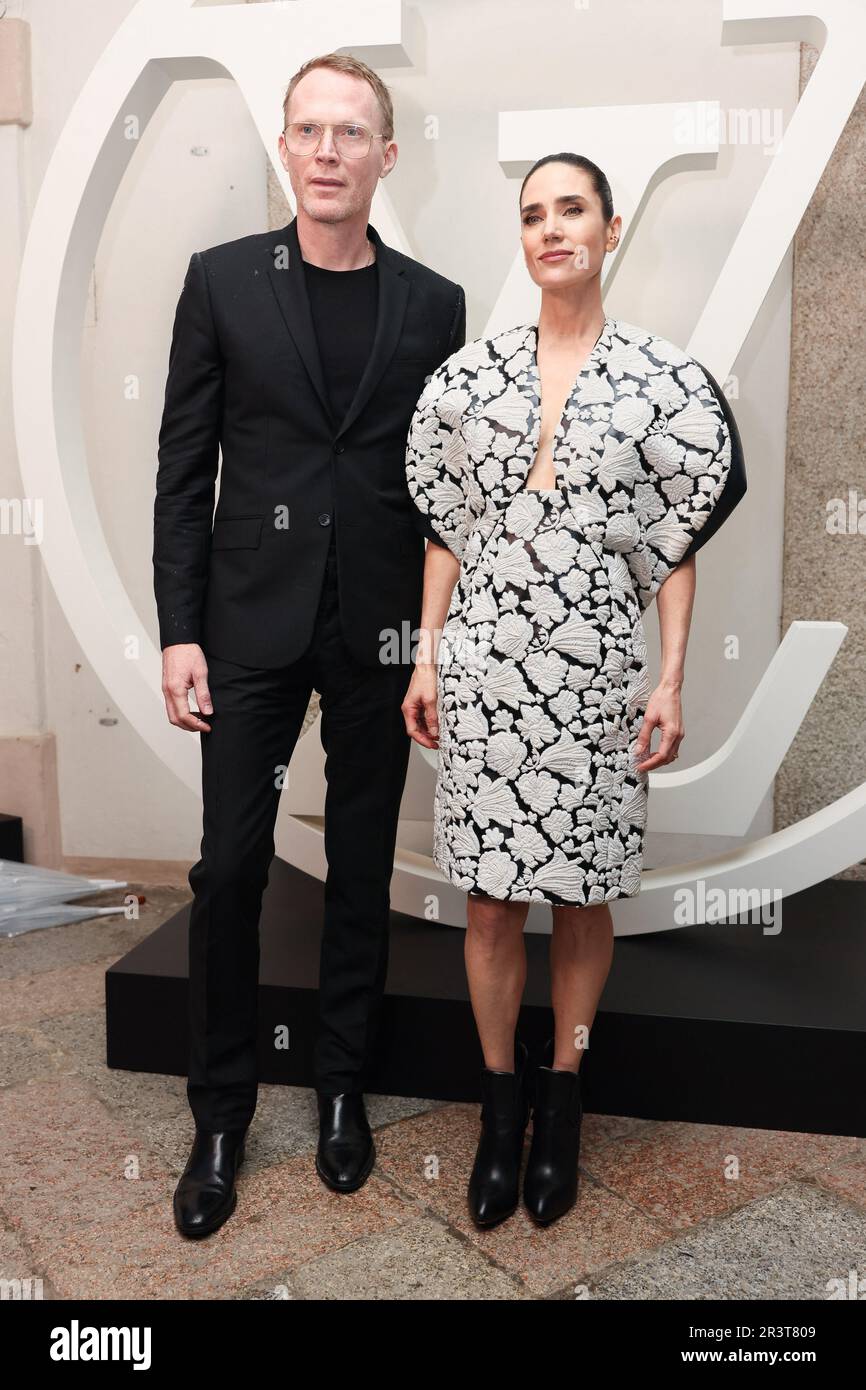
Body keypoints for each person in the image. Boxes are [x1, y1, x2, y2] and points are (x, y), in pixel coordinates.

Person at [402, 152, 746, 1228]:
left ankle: (566, 1091)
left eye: (571, 210)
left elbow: (676, 540)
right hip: (487, 669)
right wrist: (424, 652)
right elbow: (444, 528)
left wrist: (671, 678)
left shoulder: (662, 380)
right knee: (492, 895)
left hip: (595, 667)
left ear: (609, 231)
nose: (551, 228)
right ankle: (499, 1105)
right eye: (532, 214)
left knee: (584, 893)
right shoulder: (467, 379)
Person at [154, 52, 465, 1238]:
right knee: (228, 870)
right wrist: (180, 626)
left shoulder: (433, 302)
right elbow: (184, 470)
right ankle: (220, 1115)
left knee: (358, 871)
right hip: (245, 623)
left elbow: (444, 490)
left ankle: (342, 1091)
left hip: (380, 625)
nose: (328, 149)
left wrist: (433, 641)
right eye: (308, 130)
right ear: (283, 148)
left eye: (352, 132)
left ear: (387, 156)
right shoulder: (223, 282)